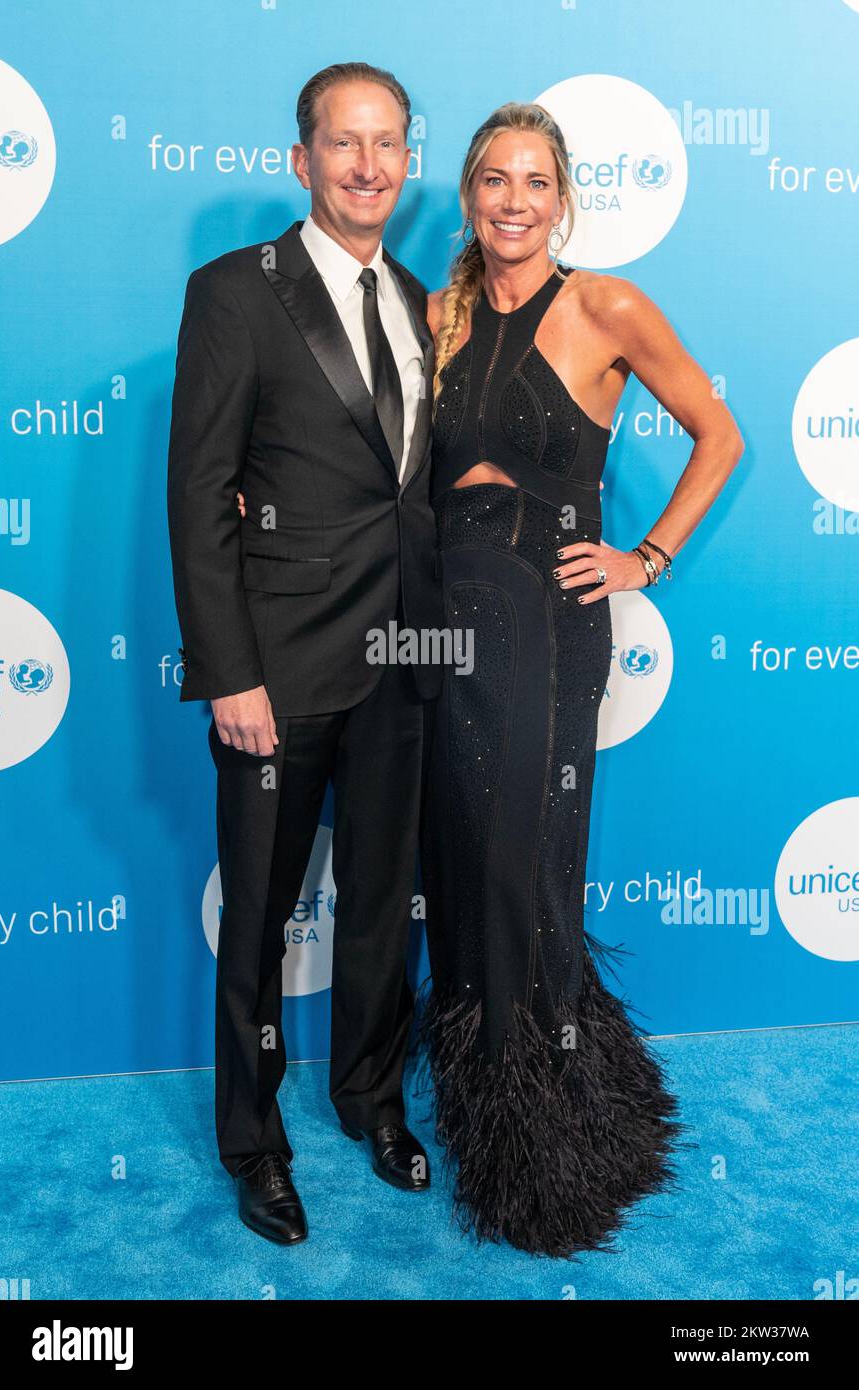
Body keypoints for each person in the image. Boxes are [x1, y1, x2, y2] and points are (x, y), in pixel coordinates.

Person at [418, 101, 744, 1258]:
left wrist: (642, 556)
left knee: (526, 861)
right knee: (460, 856)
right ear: (467, 196)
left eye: (535, 182)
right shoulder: (438, 314)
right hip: (444, 632)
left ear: (564, 199)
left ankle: (544, 1129)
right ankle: (482, 1093)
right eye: (493, 180)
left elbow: (720, 434)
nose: (512, 201)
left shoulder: (606, 305)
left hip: (550, 627)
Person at [167, 62, 444, 1246]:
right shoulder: (237, 291)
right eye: (345, 144)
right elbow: (196, 494)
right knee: (260, 918)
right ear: (302, 159)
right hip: (275, 672)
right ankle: (254, 1143)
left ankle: (372, 1100)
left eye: (387, 144)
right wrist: (230, 672)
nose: (368, 166)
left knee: (384, 905)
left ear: (407, 161)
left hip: (403, 662)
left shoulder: (424, 297)